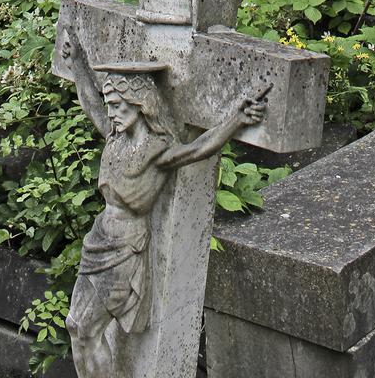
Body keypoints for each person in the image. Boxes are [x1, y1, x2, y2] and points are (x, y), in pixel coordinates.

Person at [60, 28, 268, 378]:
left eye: (118, 106)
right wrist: (77, 64)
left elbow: (198, 149)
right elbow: (90, 103)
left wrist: (235, 118)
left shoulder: (156, 152)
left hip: (126, 247)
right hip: (99, 240)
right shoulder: (115, 141)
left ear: (139, 104)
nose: (111, 114)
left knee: (86, 329)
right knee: (74, 326)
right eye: (111, 106)